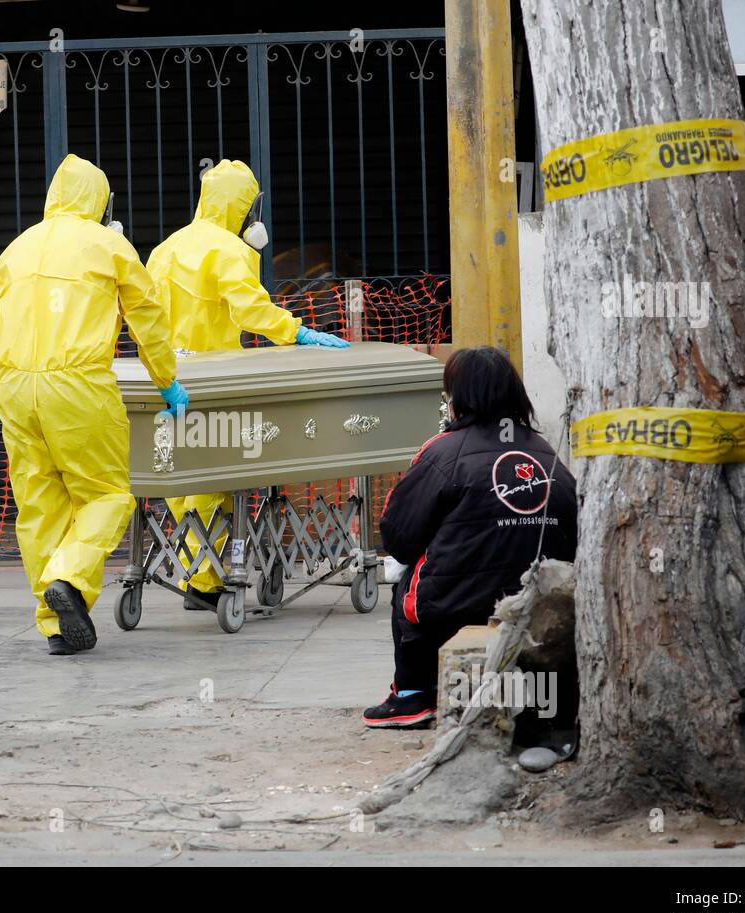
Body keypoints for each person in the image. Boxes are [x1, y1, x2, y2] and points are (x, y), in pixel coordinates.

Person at [0, 154, 184, 656]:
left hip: (12, 386)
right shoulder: (109, 246)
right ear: (101, 201)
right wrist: (166, 380)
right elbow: (148, 316)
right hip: (76, 386)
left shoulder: (15, 249)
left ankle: (55, 625)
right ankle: (69, 578)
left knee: (39, 506)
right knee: (105, 495)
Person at [145, 159, 348, 609]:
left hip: (167, 379)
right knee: (216, 478)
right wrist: (296, 331)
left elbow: (146, 316)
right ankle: (205, 579)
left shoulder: (165, 248)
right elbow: (250, 311)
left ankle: (198, 572)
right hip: (214, 382)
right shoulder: (230, 251)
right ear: (245, 207)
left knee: (179, 476)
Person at [365, 346, 578, 729]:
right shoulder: (546, 454)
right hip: (535, 609)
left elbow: (398, 536)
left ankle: (412, 694)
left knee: (406, 578)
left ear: (457, 397)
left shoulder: (442, 452)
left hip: (452, 610)